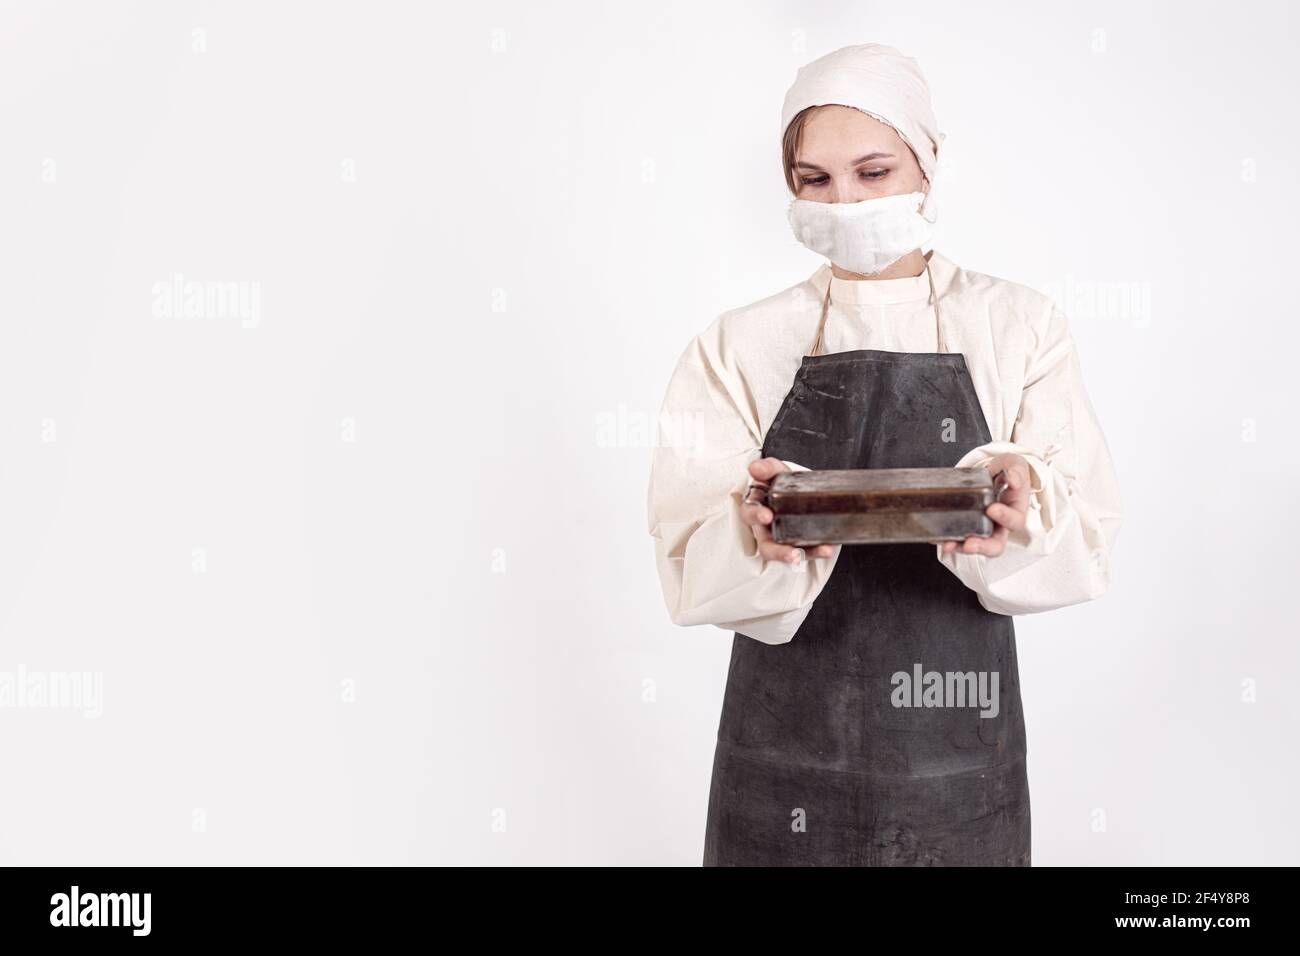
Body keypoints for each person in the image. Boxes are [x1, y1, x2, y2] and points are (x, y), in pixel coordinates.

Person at [645, 43, 1123, 866]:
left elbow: (1086, 541)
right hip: (781, 754)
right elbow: (687, 560)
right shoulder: (738, 344)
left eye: (873, 171)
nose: (848, 201)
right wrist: (756, 533)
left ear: (928, 164)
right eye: (815, 180)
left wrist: (1017, 512)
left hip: (959, 763)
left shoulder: (1018, 326)